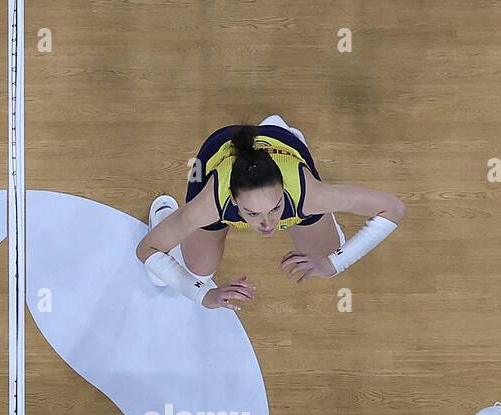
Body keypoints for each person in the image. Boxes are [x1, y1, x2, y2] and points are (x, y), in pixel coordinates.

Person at [136, 116, 406, 311]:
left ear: (284, 191)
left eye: (276, 208)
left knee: (328, 256)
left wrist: (335, 264)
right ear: (233, 201)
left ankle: (279, 131)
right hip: (216, 154)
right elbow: (147, 249)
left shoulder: (310, 194)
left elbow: (394, 208)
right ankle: (166, 220)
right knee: (197, 273)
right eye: (253, 214)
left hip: (284, 153)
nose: (267, 224)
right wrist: (203, 295)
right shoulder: (211, 204)